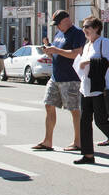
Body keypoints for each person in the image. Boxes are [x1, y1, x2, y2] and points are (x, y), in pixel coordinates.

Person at [72, 16, 109, 165]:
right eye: (83, 26)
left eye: (87, 26)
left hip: (99, 87)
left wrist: (87, 61)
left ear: (96, 28)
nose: (85, 29)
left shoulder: (104, 42)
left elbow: (108, 63)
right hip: (86, 87)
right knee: (84, 122)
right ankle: (88, 155)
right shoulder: (87, 45)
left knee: (100, 121)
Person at [34, 11, 84, 151]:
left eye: (58, 24)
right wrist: (50, 52)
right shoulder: (58, 34)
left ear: (67, 20)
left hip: (71, 78)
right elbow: (56, 55)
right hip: (55, 77)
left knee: (74, 109)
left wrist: (55, 50)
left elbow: (76, 53)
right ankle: (47, 141)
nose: (57, 27)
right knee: (48, 104)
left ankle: (78, 141)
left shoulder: (77, 33)